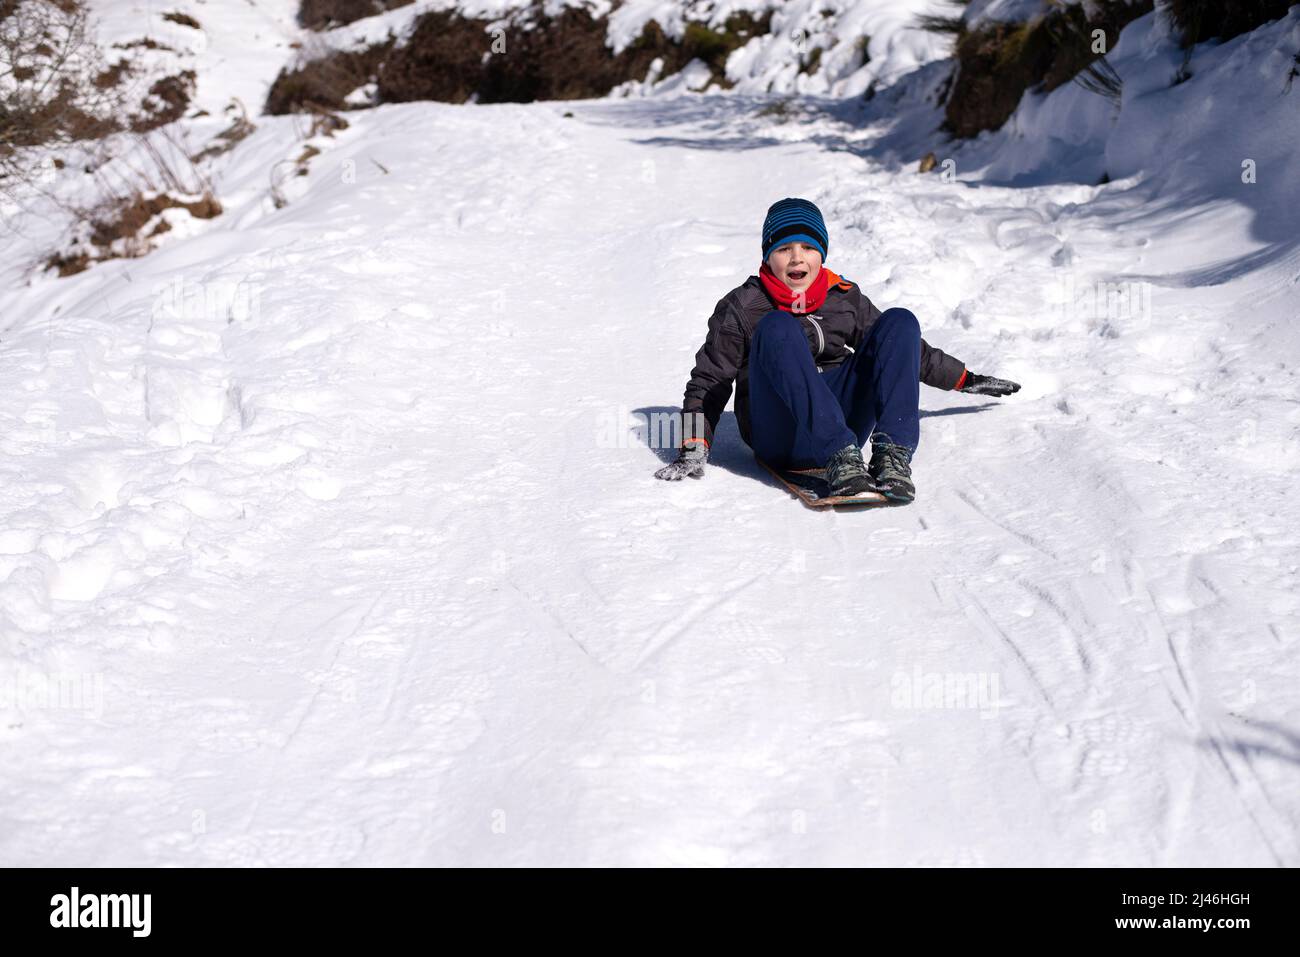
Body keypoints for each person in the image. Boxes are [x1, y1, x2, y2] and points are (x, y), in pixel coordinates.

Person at [654, 197, 1020, 503]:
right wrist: (694, 443)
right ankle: (838, 455)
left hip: (845, 424)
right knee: (778, 327)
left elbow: (902, 350)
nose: (797, 258)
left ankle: (892, 455)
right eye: (784, 248)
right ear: (768, 257)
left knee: (900, 321)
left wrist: (964, 378)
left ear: (822, 254)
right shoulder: (743, 306)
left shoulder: (842, 297)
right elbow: (708, 382)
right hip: (779, 431)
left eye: (808, 247)